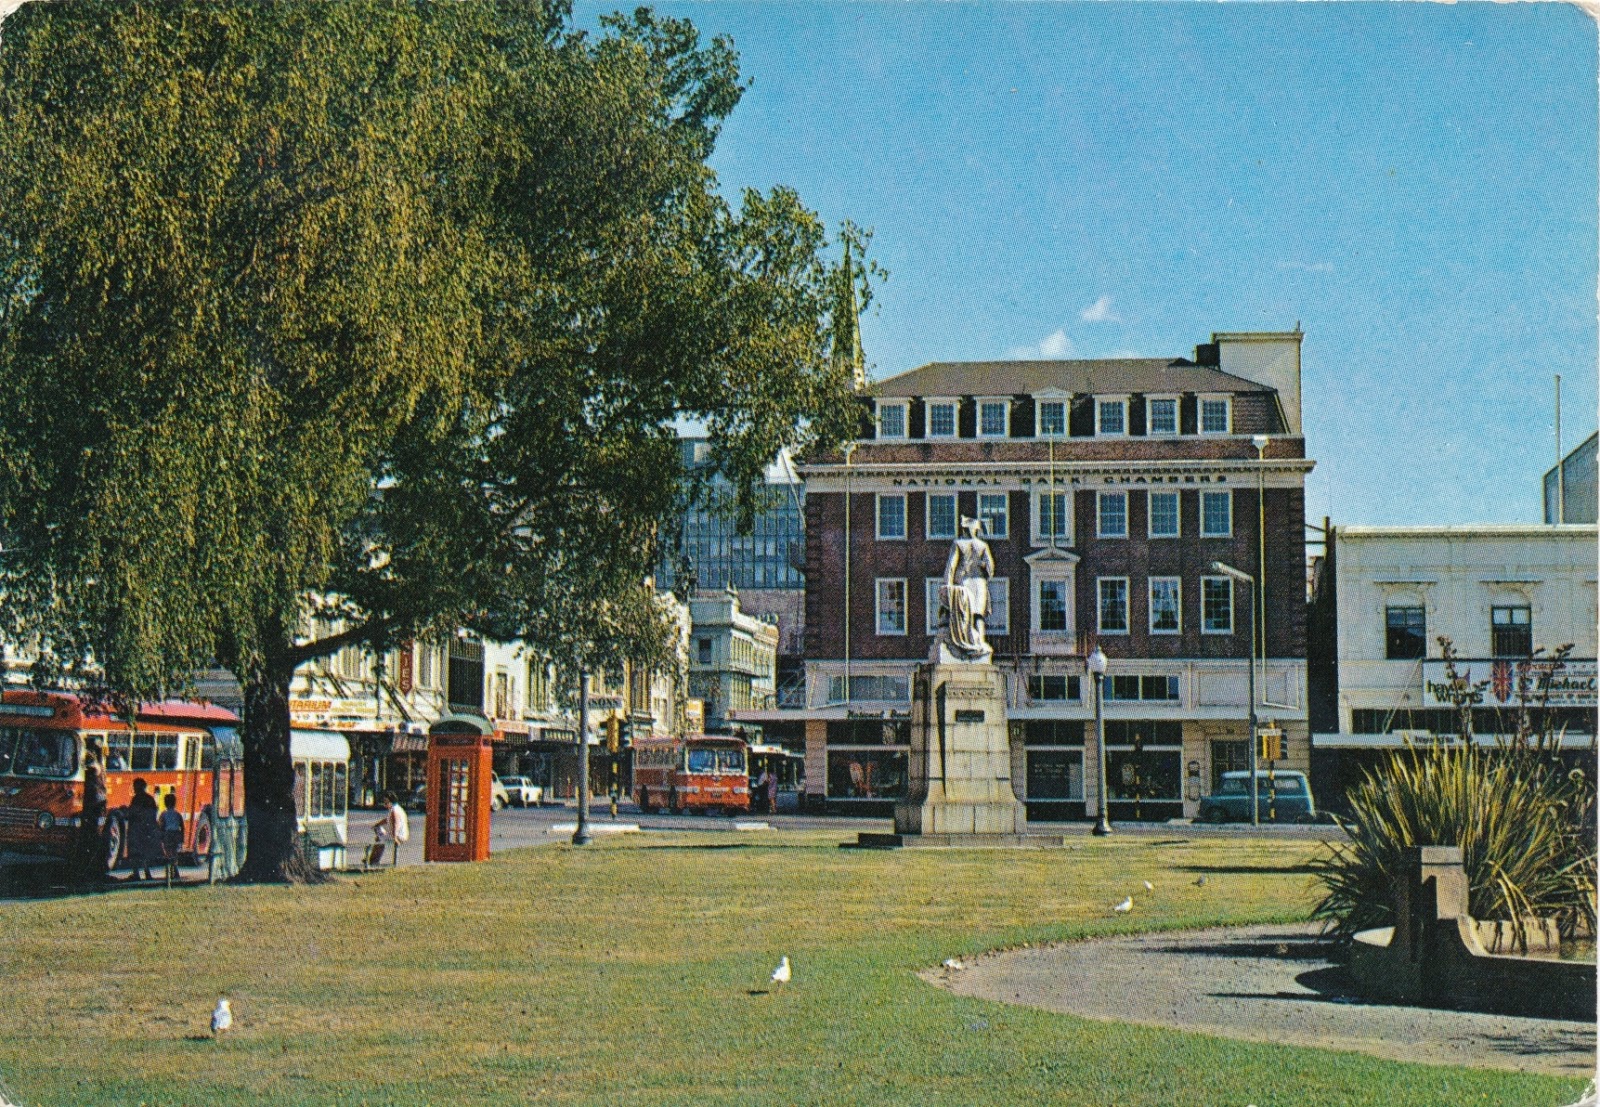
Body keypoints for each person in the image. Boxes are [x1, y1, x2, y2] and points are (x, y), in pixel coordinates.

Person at [940, 515, 996, 660]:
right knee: (979, 615)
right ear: (976, 530)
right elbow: (990, 569)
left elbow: (951, 566)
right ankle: (980, 642)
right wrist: (982, 571)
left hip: (964, 583)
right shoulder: (982, 546)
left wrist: (947, 584)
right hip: (980, 583)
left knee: (965, 615)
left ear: (965, 529)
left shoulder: (958, 544)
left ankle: (968, 642)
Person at [76, 744, 109, 886]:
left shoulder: (94, 768)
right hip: (98, 802)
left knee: (92, 836)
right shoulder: (101, 766)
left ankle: (91, 870)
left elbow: (86, 768)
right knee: (94, 834)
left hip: (95, 803)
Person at [125, 777, 161, 881]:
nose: (134, 788)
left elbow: (134, 813)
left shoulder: (136, 799)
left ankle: (136, 874)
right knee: (144, 853)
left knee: (135, 853)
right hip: (148, 829)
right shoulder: (150, 799)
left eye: (135, 786)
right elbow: (153, 813)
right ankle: (147, 873)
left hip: (137, 829)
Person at [368, 791, 408, 866]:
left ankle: (373, 860)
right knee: (379, 837)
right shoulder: (396, 808)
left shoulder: (394, 811)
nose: (385, 804)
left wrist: (395, 837)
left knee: (379, 839)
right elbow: (387, 820)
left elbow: (396, 823)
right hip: (400, 834)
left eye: (386, 802)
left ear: (391, 801)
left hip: (399, 835)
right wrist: (377, 824)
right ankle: (373, 859)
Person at [158, 793, 184, 886]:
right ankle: (176, 871)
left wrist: (161, 837)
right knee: (175, 853)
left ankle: (170, 874)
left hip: (168, 834)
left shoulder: (163, 814)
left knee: (168, 853)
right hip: (176, 834)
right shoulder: (178, 814)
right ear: (175, 803)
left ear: (165, 803)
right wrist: (182, 838)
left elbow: (161, 826)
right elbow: (182, 826)